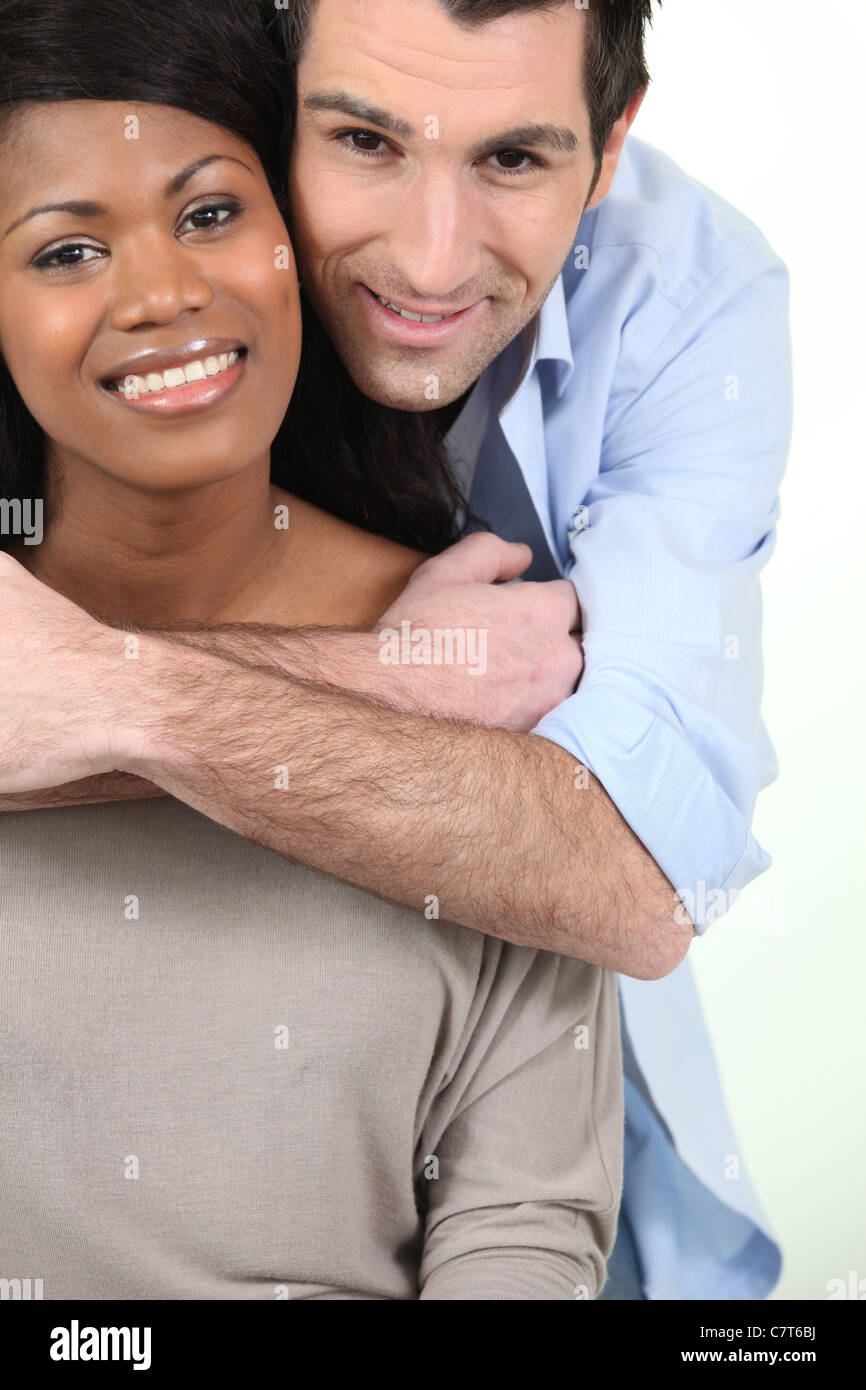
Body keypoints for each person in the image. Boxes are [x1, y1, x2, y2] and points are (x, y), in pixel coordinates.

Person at [0, 0, 793, 1299]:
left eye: (512, 158)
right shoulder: (456, 666)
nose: (428, 264)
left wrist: (100, 691)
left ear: (606, 151)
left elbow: (625, 876)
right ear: (278, 91)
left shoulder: (680, 298)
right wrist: (393, 678)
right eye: (363, 139)